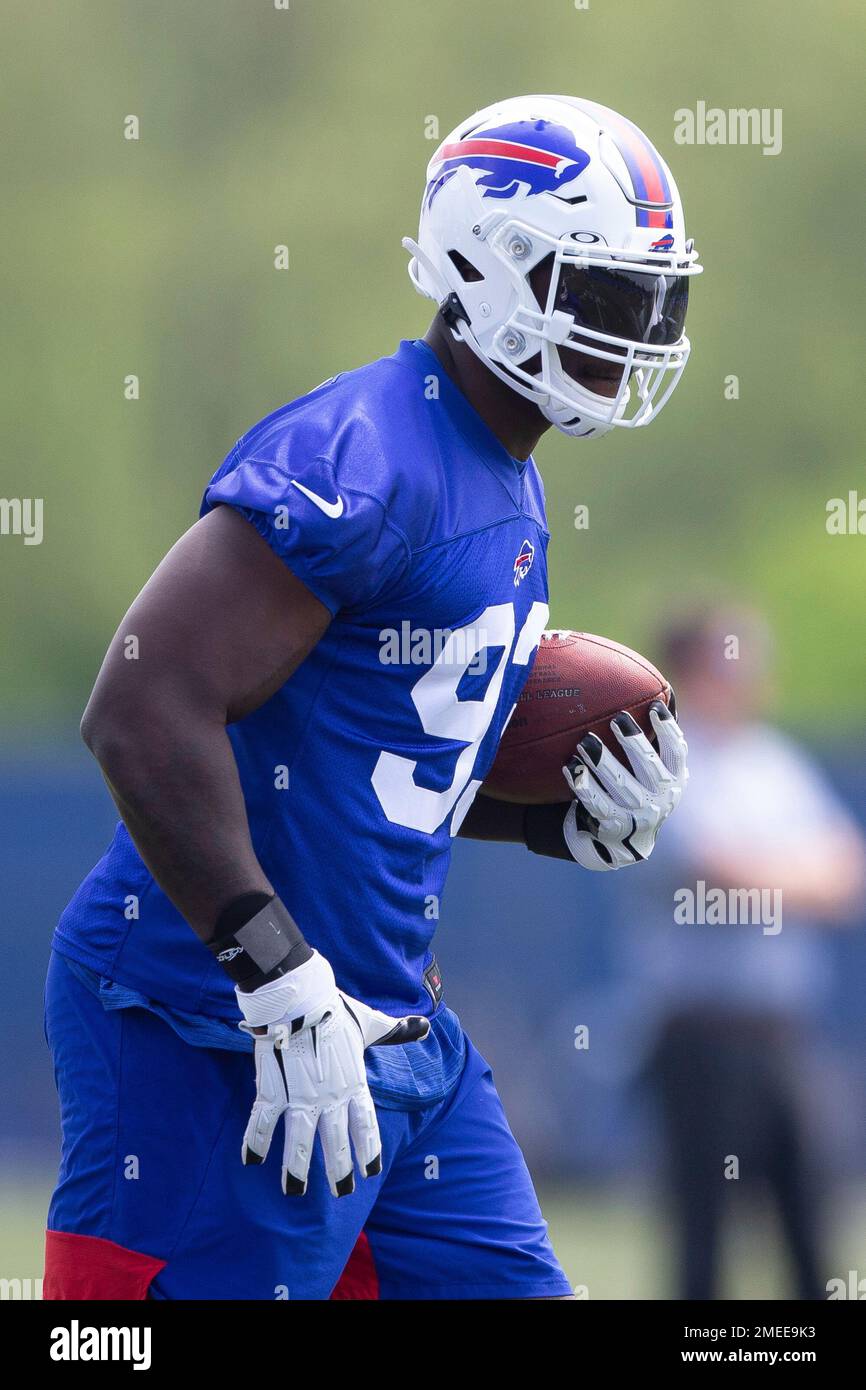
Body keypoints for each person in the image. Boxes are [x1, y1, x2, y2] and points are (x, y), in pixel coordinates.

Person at [44, 94, 698, 1300]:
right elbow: (140, 706)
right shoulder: (362, 454)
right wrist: (276, 975)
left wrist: (547, 819)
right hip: (213, 1014)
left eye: (647, 301)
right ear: (482, 267)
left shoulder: (500, 470)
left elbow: (377, 767)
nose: (630, 334)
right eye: (598, 296)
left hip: (389, 1025)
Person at [619, 607, 865, 1299]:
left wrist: (774, 874)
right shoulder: (664, 761)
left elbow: (846, 872)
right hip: (701, 1034)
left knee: (813, 1222)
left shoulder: (773, 760)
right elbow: (709, 867)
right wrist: (795, 875)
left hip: (781, 1031)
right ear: (700, 668)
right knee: (705, 1236)